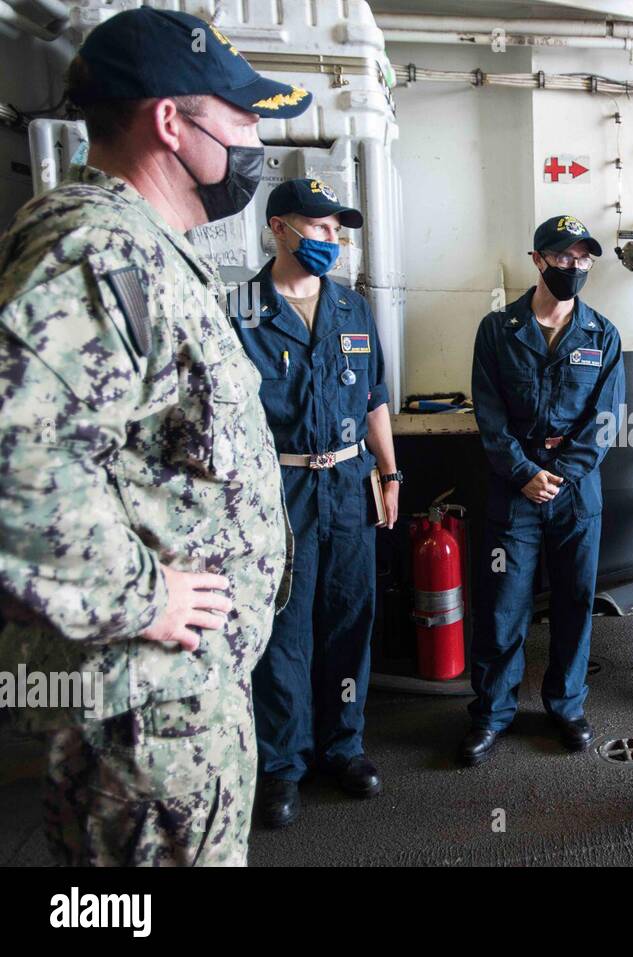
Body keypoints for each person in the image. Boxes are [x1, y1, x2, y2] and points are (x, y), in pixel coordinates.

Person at [0, 7, 309, 865]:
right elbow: (16, 463)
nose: (254, 138)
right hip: (145, 713)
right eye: (242, 116)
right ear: (172, 121)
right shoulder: (98, 253)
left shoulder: (154, 250)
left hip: (182, 701)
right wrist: (145, 595)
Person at [228, 178, 398, 829]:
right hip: (280, 492)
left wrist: (390, 471)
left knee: (349, 620)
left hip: (350, 484)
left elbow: (376, 396)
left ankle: (343, 746)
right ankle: (282, 764)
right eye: (319, 227)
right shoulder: (237, 307)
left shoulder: (352, 309)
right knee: (285, 632)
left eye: (337, 230)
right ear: (279, 227)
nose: (331, 239)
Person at [460, 215, 625, 766]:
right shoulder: (497, 329)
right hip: (514, 489)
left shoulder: (603, 334)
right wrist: (524, 473)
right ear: (537, 260)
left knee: (576, 601)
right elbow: (489, 413)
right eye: (562, 258)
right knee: (504, 603)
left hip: (576, 493)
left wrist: (561, 475)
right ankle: (493, 712)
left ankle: (566, 705)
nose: (573, 268)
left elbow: (605, 420)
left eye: (583, 259)